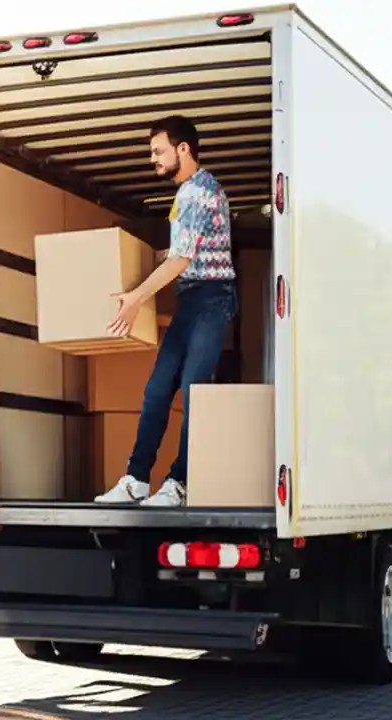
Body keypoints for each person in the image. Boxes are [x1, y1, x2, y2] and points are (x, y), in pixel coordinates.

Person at [95, 114, 238, 508]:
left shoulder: (198, 191)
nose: (153, 160)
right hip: (192, 299)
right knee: (158, 389)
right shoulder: (187, 194)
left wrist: (136, 297)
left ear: (183, 149)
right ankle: (136, 479)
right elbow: (179, 261)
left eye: (158, 152)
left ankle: (180, 483)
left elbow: (178, 259)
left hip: (212, 298)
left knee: (193, 391)